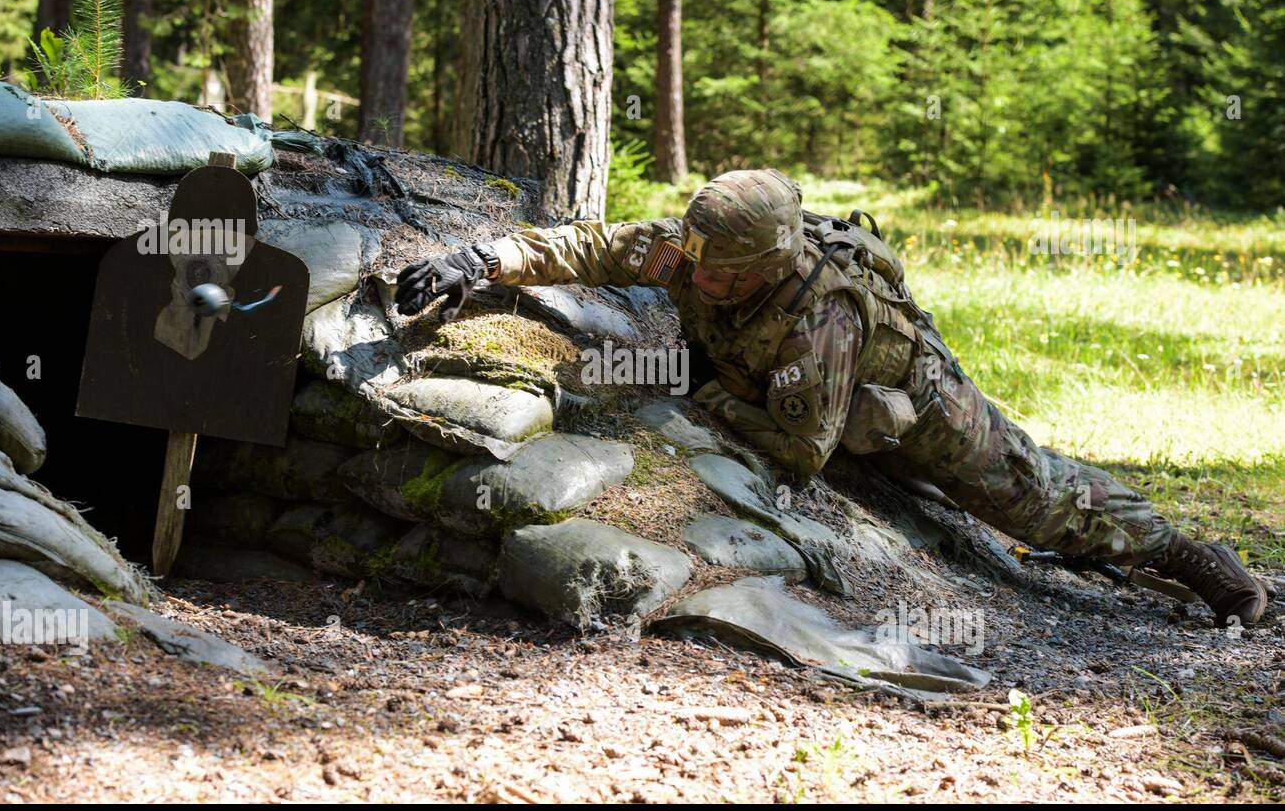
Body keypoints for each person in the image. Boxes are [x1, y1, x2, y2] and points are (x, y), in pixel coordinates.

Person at [396, 169, 1267, 628]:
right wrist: (482, 263)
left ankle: (1190, 557)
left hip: (915, 414)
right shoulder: (700, 250)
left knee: (1044, 503)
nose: (694, 274)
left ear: (764, 266)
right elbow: (592, 247)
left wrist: (701, 392)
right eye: (695, 258)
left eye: (717, 270)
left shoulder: (822, 319)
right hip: (786, 391)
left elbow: (800, 448)